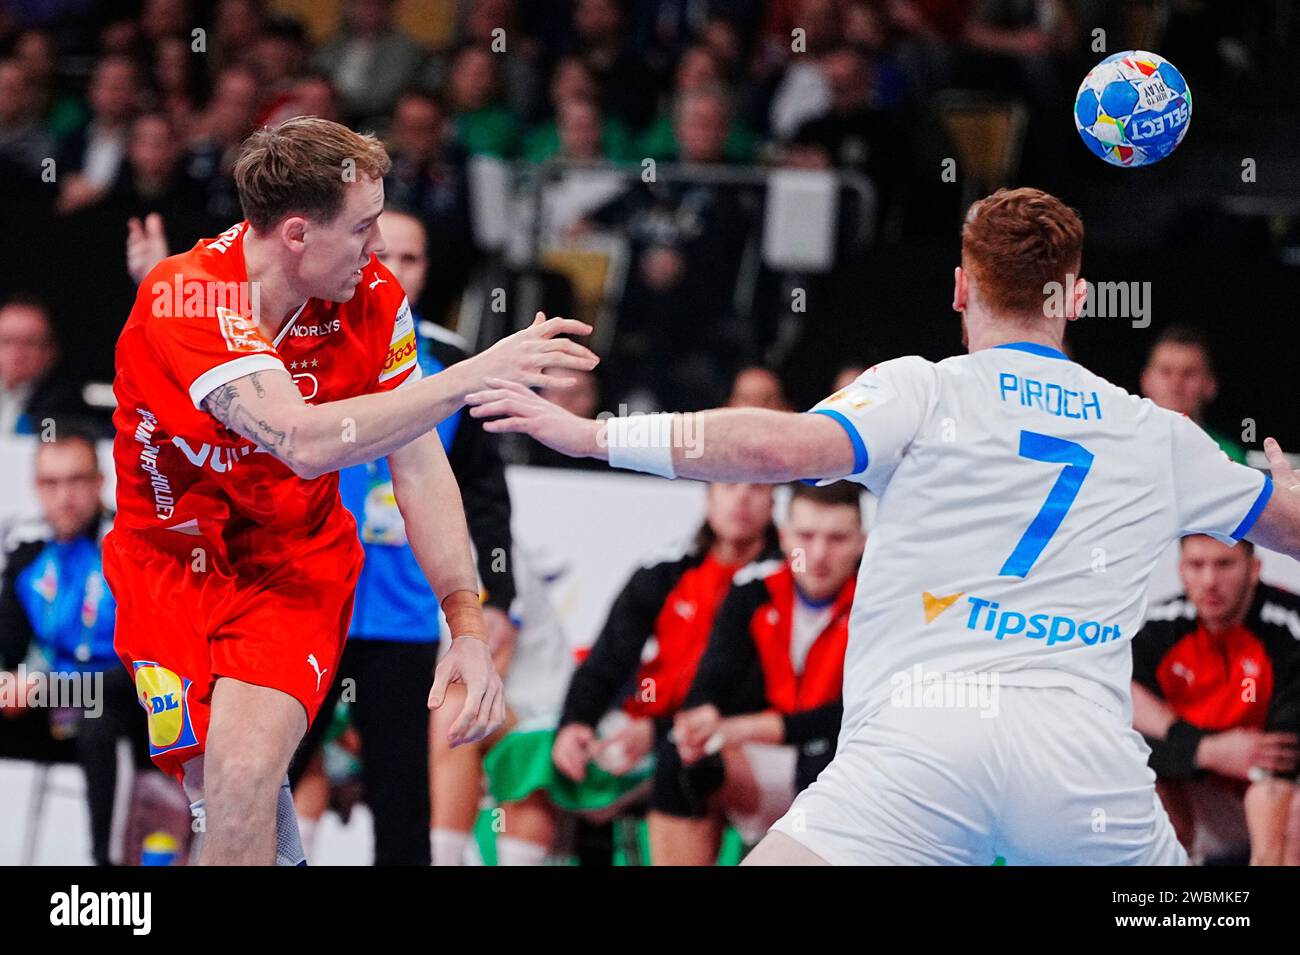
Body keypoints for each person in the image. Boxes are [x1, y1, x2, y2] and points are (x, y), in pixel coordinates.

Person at [466, 186, 1300, 864]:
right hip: (1082, 763)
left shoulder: (923, 389)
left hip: (922, 746)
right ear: (1076, 296)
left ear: (961, 289)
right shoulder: (1156, 432)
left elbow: (775, 446)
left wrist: (590, 434)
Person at [101, 115, 598, 865]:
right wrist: (473, 373)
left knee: (241, 780)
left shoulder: (372, 298)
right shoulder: (188, 297)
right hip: (169, 564)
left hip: (290, 568)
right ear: (297, 233)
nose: (377, 248)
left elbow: (421, 461)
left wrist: (464, 618)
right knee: (226, 805)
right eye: (364, 227)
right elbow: (299, 439)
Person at [286, 208, 519, 865]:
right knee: (262, 776)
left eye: (412, 257)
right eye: (382, 249)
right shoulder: (302, 343)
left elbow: (483, 494)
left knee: (401, 798)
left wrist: (495, 592)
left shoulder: (452, 372)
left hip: (401, 618)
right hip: (307, 607)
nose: (392, 265)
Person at [551, 482, 780, 859]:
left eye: (756, 487)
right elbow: (609, 656)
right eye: (729, 485)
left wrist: (658, 734)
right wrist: (577, 720)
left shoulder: (789, 578)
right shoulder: (663, 569)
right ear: (707, 496)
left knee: (686, 761)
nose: (741, 498)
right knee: (540, 754)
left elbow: (755, 690)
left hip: (740, 736)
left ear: (774, 500)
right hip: (653, 727)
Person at [655, 481, 863, 864]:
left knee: (824, 756)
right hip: (764, 766)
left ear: (863, 542)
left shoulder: (880, 602)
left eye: (837, 539)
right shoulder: (752, 589)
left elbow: (854, 716)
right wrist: (700, 720)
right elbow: (709, 685)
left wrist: (743, 728)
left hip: (844, 769)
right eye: (806, 535)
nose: (818, 554)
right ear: (783, 537)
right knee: (679, 756)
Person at [0, 425, 152, 865]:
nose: (63, 496)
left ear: (100, 482)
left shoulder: (128, 547)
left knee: (97, 710)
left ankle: (102, 863)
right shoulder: (27, 551)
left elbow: (148, 666)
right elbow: (8, 644)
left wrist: (43, 688)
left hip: (130, 702)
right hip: (51, 705)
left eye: (76, 481)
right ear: (36, 488)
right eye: (51, 483)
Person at [1132, 535, 1300, 864]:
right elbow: (1126, 742)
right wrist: (1206, 750)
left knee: (1279, 802)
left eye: (1224, 564)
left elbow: (1283, 754)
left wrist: (1182, 744)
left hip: (1273, 799)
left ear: (1253, 569)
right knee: (1140, 789)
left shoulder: (1290, 627)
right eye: (1197, 565)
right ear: (1182, 570)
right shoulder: (1156, 631)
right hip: (1201, 799)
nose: (1210, 581)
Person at [1141, 324, 1246, 463]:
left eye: (1188, 373)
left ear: (1210, 384)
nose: (1176, 383)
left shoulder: (1229, 456)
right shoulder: (1121, 444)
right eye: (1166, 372)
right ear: (1145, 380)